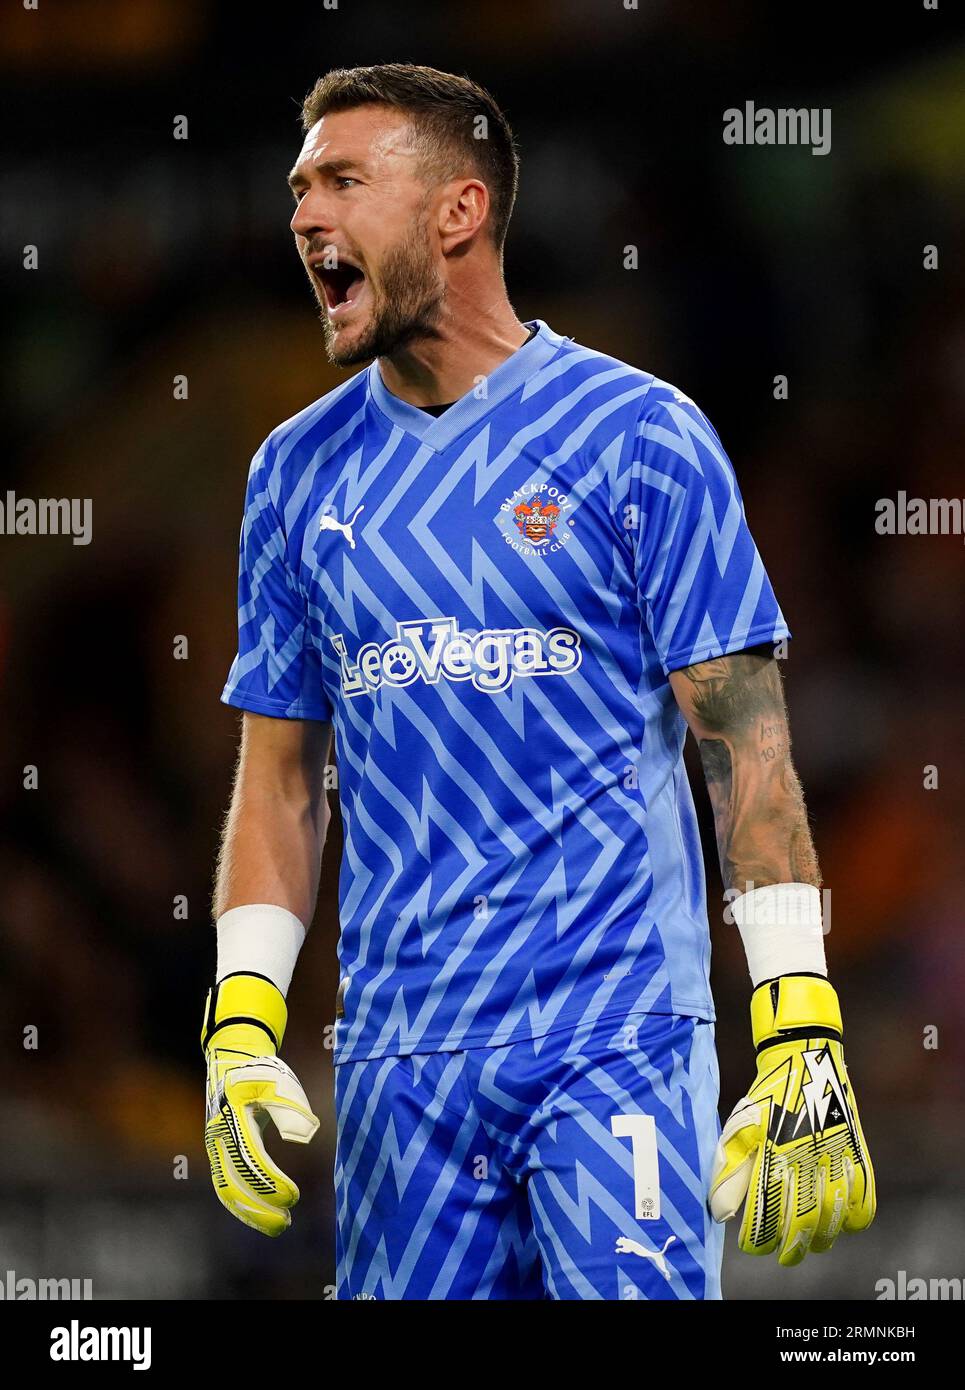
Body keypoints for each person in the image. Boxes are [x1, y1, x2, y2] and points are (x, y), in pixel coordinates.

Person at [201, 63, 875, 1300]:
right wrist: (242, 1016)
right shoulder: (292, 477)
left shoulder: (639, 438)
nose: (304, 216)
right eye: (300, 188)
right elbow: (283, 778)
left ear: (457, 212)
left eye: (344, 181)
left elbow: (741, 744)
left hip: (613, 1036)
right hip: (399, 1063)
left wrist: (797, 1018)